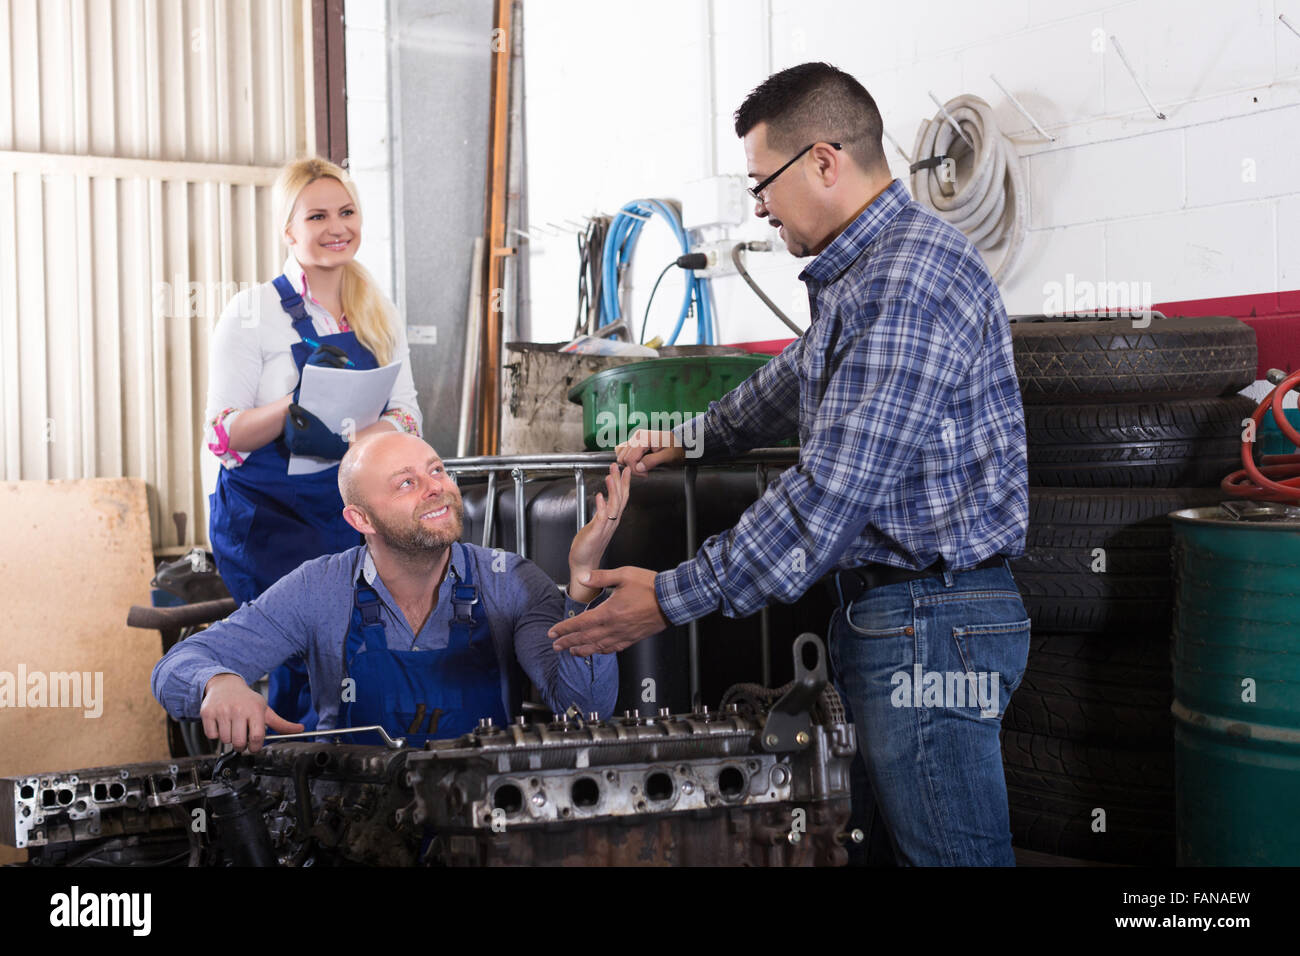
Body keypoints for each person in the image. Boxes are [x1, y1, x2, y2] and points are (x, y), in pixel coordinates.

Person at [549, 62, 1030, 866]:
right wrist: (696, 436)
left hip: (931, 624)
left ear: (824, 160)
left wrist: (669, 599)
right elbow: (800, 374)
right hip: (903, 617)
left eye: (760, 184)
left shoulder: (908, 281)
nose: (760, 208)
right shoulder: (864, 276)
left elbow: (828, 497)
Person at [154, 432, 624, 752]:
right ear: (361, 520)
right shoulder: (318, 588)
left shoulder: (509, 580)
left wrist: (582, 589)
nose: (435, 489)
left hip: (482, 829)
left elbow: (584, 709)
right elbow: (174, 668)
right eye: (406, 483)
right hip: (352, 832)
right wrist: (216, 682)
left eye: (436, 471)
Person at [203, 157, 423, 732]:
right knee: (304, 650)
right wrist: (293, 405)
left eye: (347, 212)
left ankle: (361, 775)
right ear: (289, 229)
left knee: (362, 648)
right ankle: (295, 787)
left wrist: (372, 428)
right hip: (269, 520)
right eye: (318, 215)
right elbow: (223, 434)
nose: (337, 227)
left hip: (348, 508)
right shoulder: (253, 313)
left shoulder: (377, 308)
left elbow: (409, 411)